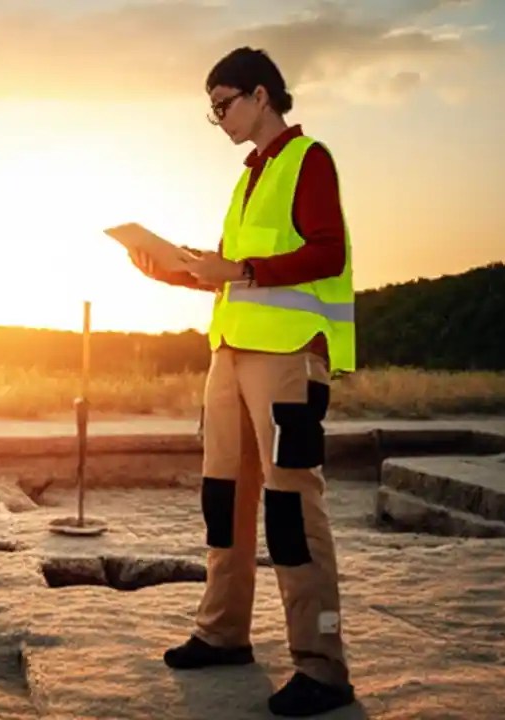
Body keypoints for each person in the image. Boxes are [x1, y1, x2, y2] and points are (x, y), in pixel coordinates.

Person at [128, 46, 357, 717]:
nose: (219, 117)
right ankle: (223, 633)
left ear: (261, 95)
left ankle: (323, 665)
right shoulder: (248, 176)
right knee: (223, 499)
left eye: (224, 102)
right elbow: (230, 274)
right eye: (212, 108)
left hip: (286, 358)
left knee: (291, 508)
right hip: (229, 354)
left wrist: (242, 271)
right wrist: (171, 269)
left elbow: (327, 250)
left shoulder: (307, 158)